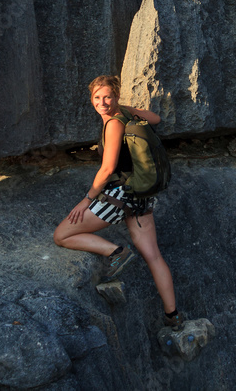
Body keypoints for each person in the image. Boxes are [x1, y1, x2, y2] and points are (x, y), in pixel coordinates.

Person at [54, 75, 183, 331]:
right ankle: (174, 316)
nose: (102, 102)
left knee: (62, 234)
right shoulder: (124, 114)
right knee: (153, 256)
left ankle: (116, 253)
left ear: (116, 97)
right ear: (91, 99)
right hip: (140, 195)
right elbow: (155, 118)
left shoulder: (113, 124)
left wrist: (86, 200)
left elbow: (108, 168)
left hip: (120, 195)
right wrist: (127, 109)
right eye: (97, 98)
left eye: (107, 97)